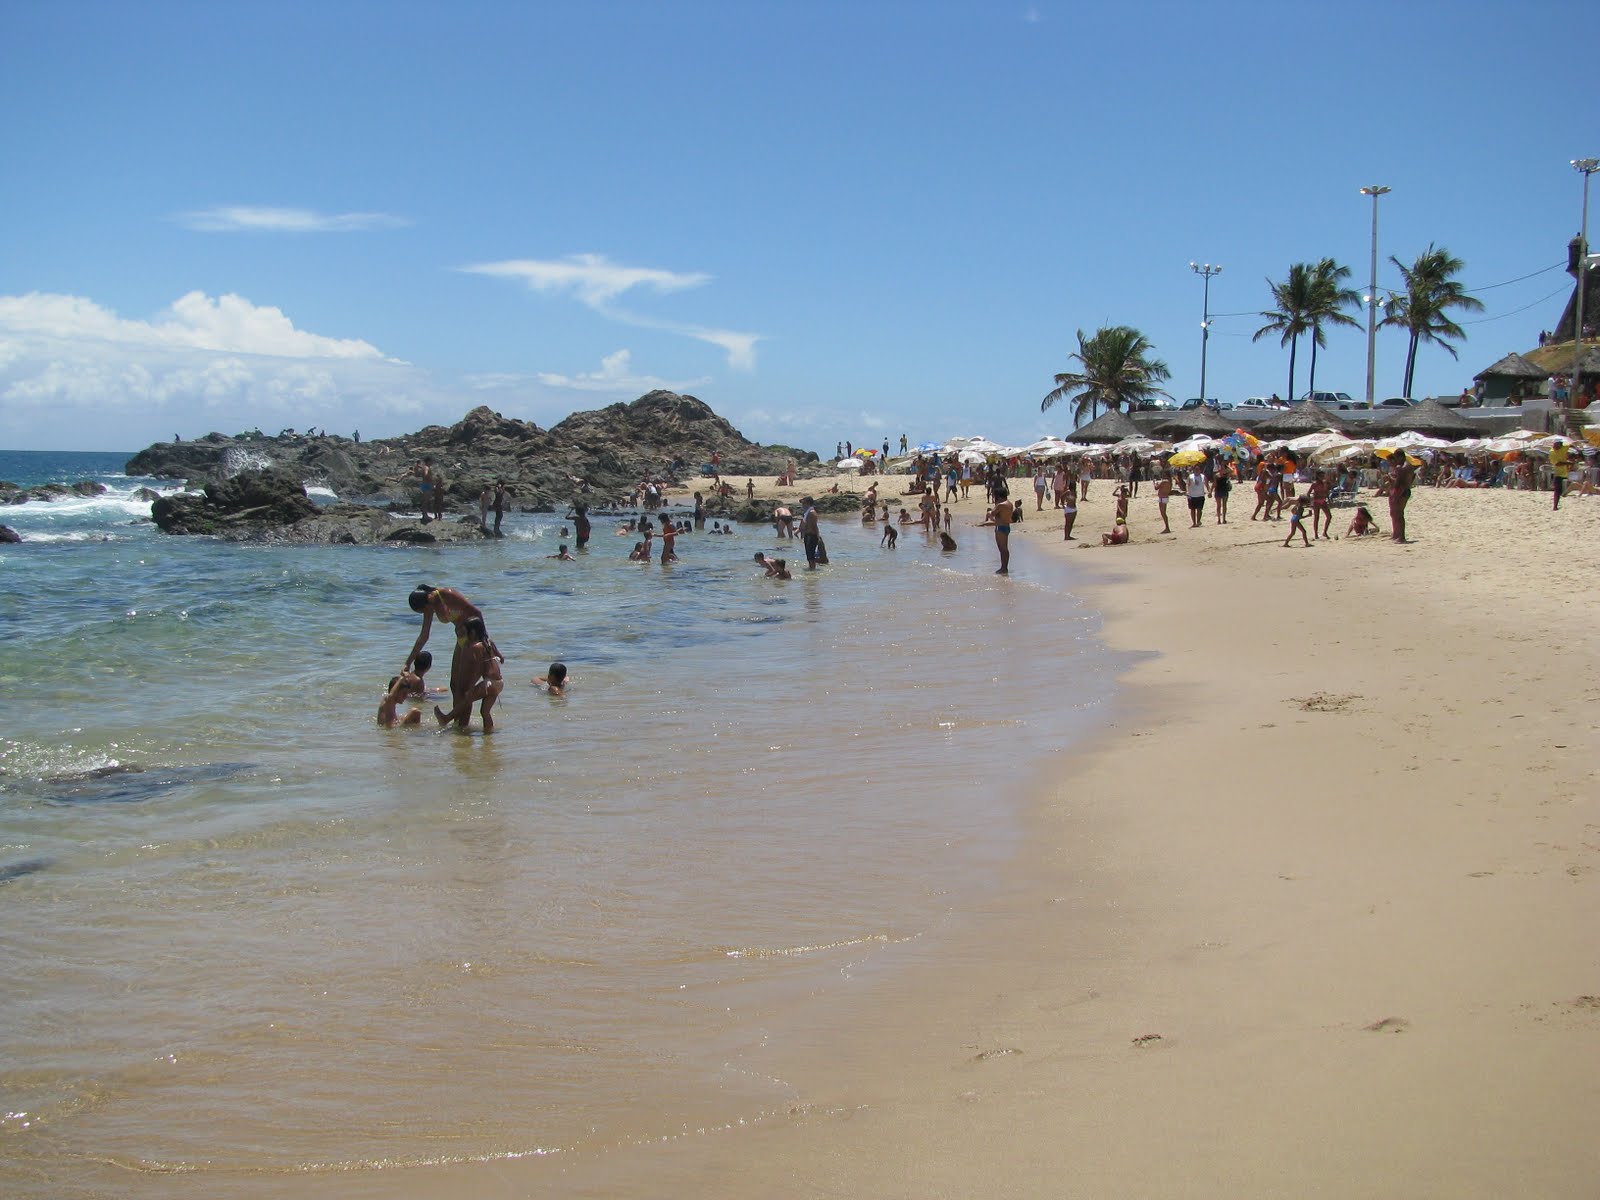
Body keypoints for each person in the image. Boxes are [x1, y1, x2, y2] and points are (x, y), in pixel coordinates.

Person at [405, 586, 484, 715]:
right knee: (454, 686)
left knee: (463, 688)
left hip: (472, 639)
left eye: (423, 610)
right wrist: (408, 663)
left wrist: (483, 640)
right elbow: (424, 636)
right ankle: (458, 722)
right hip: (461, 639)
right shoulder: (429, 606)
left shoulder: (446, 594)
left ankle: (463, 725)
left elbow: (477, 613)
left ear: (427, 601)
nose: (427, 613)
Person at [434, 616, 503, 732]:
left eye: (466, 633)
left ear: (473, 632)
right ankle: (488, 736)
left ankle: (446, 719)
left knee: (466, 700)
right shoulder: (489, 643)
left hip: (489, 683)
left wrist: (471, 686)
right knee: (485, 712)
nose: (465, 636)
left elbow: (477, 668)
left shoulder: (475, 647)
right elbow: (501, 659)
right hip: (499, 682)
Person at [1388, 452, 1417, 543]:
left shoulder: (1401, 468)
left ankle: (1401, 537)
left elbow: (1398, 482)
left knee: (1397, 514)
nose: (1395, 460)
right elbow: (1412, 478)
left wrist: (1390, 479)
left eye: (1396, 458)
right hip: (1406, 490)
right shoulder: (1410, 466)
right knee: (1397, 514)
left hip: (1399, 491)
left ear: (1400, 457)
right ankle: (1397, 535)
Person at [992, 483, 1013, 575]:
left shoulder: (1000, 505)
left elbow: (993, 513)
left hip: (1000, 527)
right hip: (1006, 526)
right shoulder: (1009, 504)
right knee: (1005, 548)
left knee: (1002, 548)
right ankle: (1004, 567)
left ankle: (1003, 567)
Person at [1309, 470, 1332, 539]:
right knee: (1316, 518)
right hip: (1316, 501)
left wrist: (1329, 500)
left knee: (1329, 516)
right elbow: (1308, 493)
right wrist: (1311, 502)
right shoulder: (1314, 484)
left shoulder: (1325, 483)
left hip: (1323, 500)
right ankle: (1316, 534)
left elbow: (1327, 492)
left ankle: (1325, 532)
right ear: (1318, 476)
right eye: (1321, 476)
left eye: (1323, 476)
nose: (1322, 477)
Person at [800, 497, 821, 569]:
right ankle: (811, 569)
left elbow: (814, 526)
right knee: (809, 556)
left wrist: (818, 537)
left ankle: (812, 569)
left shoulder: (812, 513)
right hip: (808, 535)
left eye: (804, 503)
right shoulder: (807, 512)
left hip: (811, 536)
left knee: (811, 556)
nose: (802, 505)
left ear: (808, 503)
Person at [1549, 438, 1569, 510]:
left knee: (1562, 491)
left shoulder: (1563, 447)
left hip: (1565, 472)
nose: (1561, 445)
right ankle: (1555, 506)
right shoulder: (1552, 452)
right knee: (1557, 490)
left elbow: (1571, 445)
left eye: (1561, 443)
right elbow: (1557, 464)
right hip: (1557, 473)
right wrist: (1568, 463)